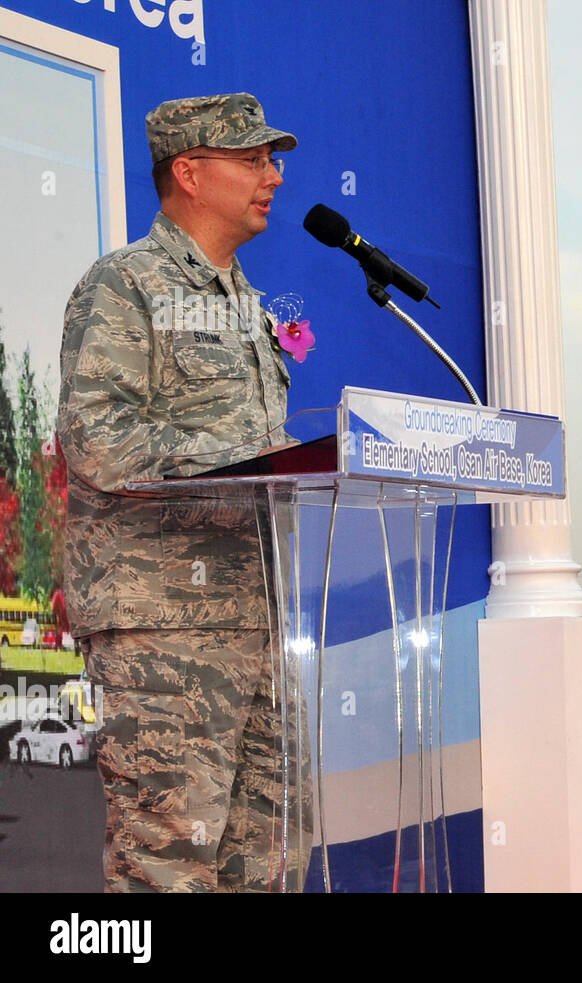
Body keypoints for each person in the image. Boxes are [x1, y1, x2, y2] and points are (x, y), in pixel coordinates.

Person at [57, 92, 300, 892]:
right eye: (253, 159)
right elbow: (99, 438)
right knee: (166, 864)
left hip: (260, 619)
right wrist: (253, 462)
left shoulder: (249, 304)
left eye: (273, 158)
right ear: (189, 172)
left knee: (266, 860)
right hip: (166, 626)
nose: (274, 174)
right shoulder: (125, 284)